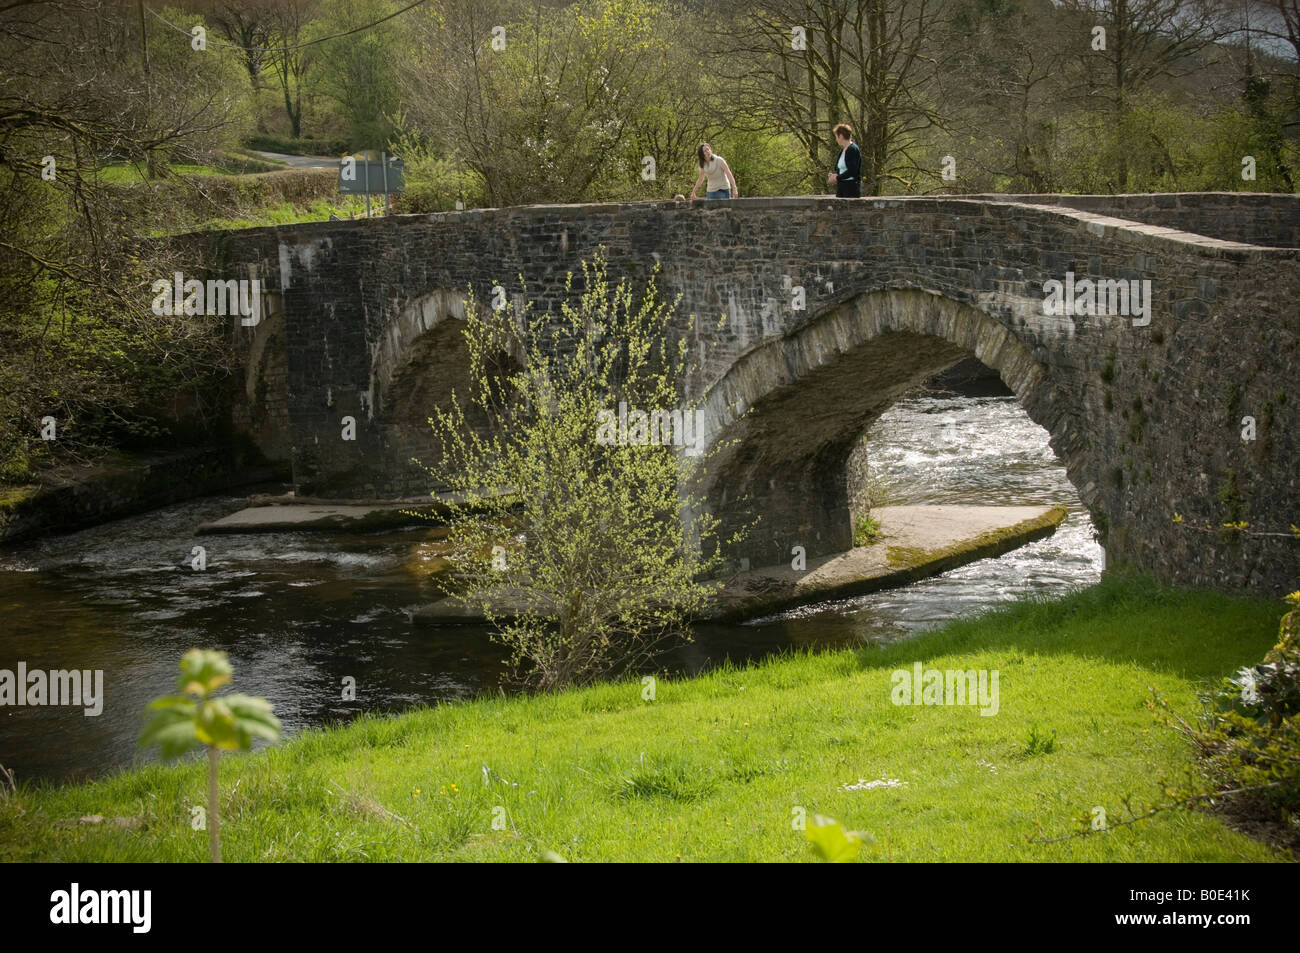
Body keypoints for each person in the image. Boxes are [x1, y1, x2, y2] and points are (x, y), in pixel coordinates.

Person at [827, 123, 861, 198]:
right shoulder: (843, 149)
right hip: (842, 186)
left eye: (836, 137)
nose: (836, 139)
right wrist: (834, 175)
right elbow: (840, 169)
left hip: (851, 188)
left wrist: (837, 178)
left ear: (841, 136)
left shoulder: (853, 149)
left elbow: (852, 171)